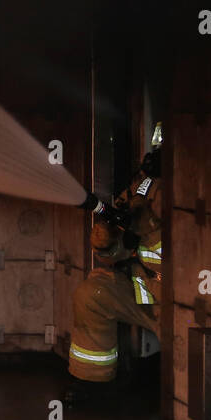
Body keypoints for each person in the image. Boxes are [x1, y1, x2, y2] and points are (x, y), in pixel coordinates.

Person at [65, 125, 164, 403]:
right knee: (91, 295)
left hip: (181, 298)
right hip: (145, 286)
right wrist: (108, 243)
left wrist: (149, 229)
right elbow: (118, 248)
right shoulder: (144, 187)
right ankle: (93, 383)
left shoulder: (194, 192)